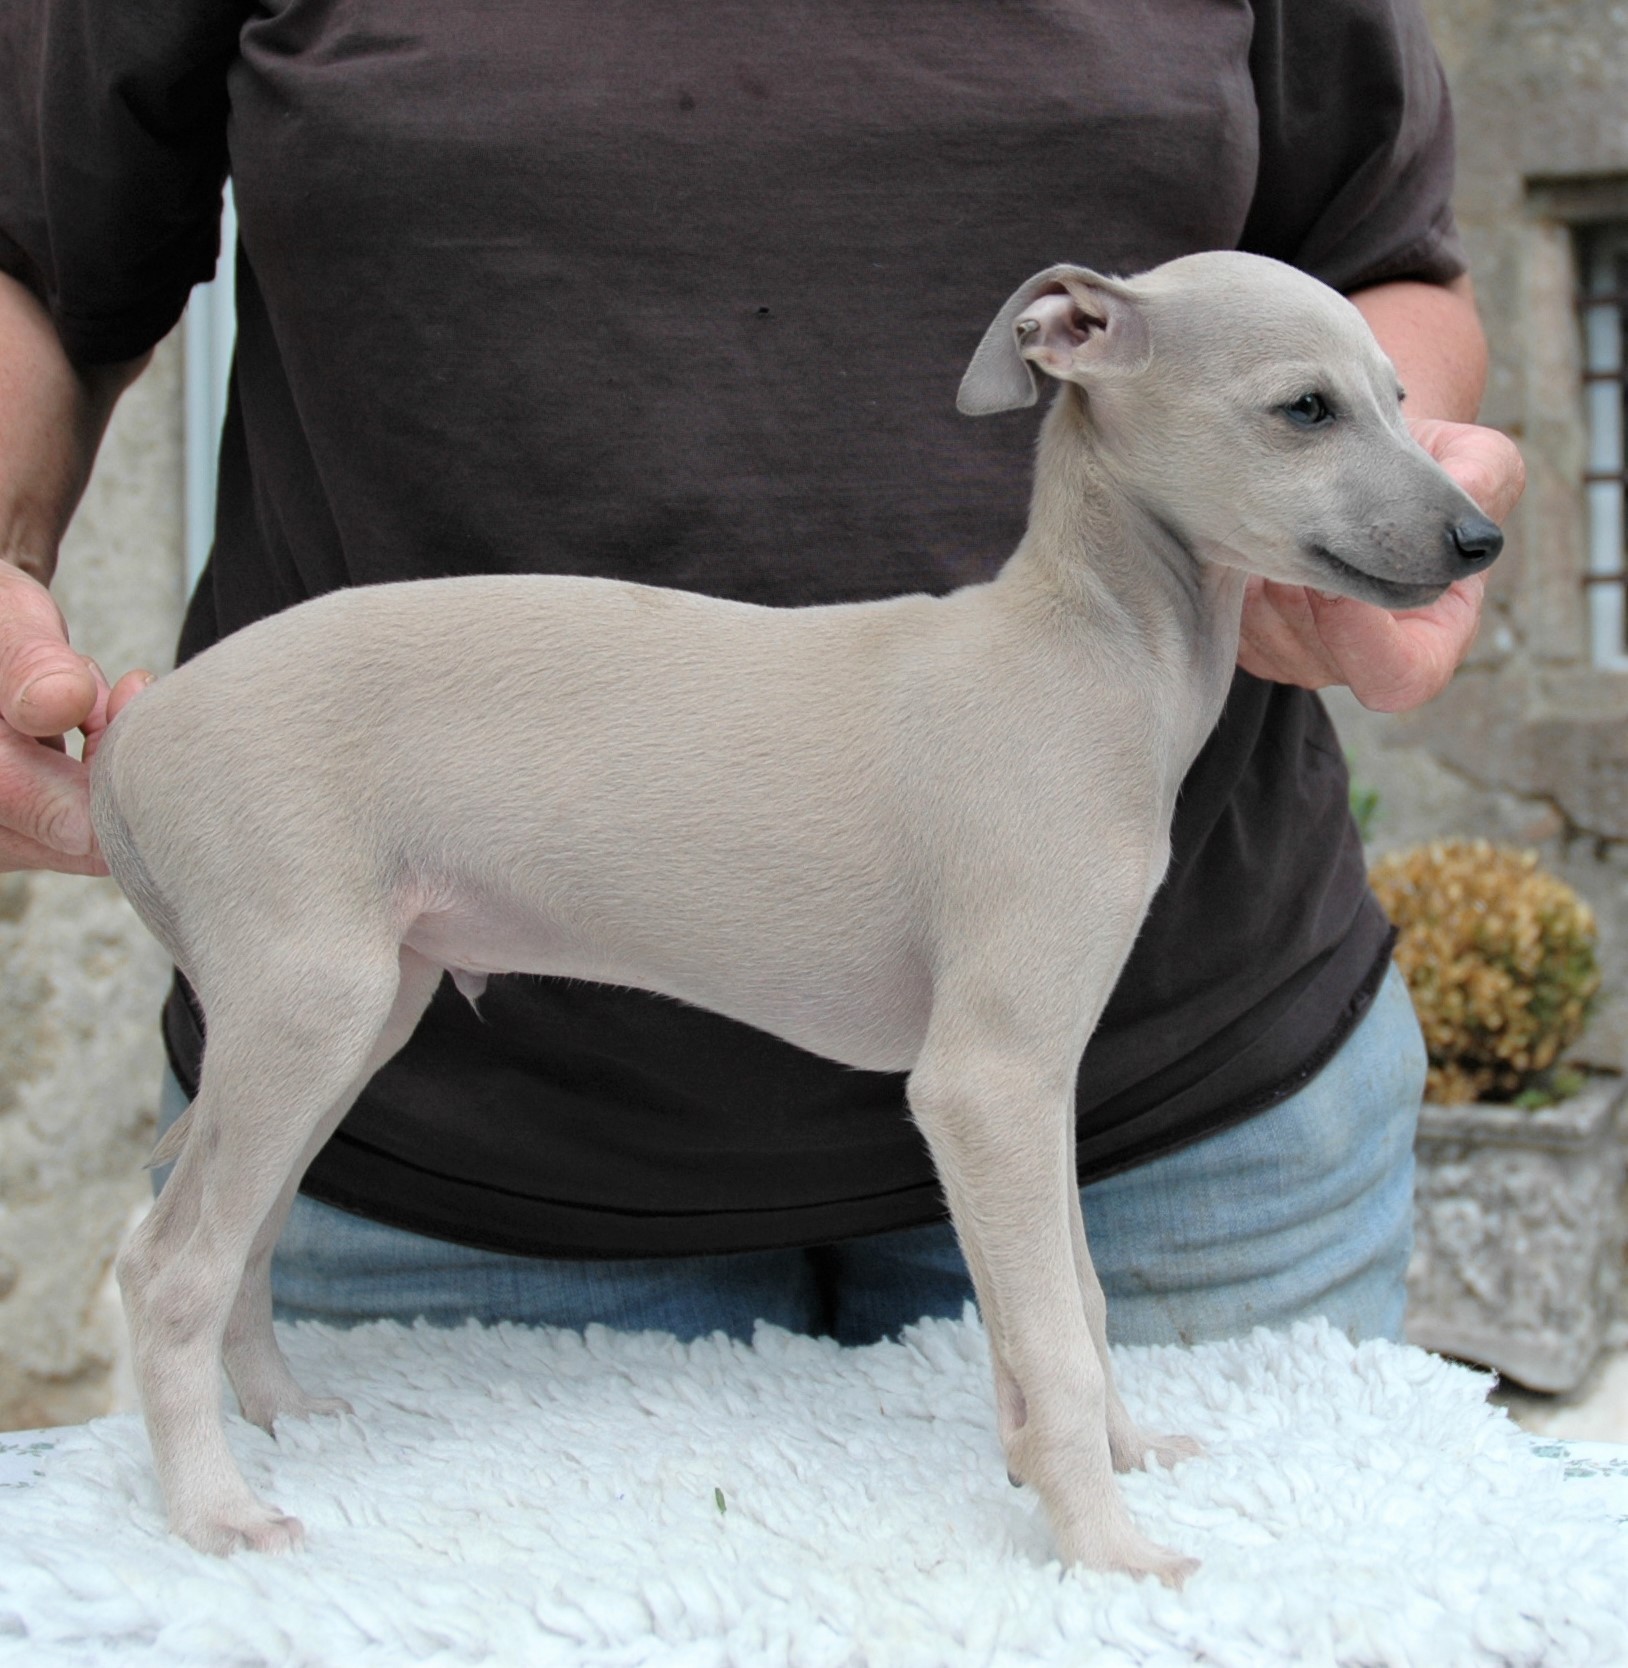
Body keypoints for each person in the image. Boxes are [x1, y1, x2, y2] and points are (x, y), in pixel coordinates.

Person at [0, 1, 1524, 1349]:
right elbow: (34, 251)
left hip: (1183, 1123)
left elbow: (1388, 257)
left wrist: (1374, 468)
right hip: (433, 1166)